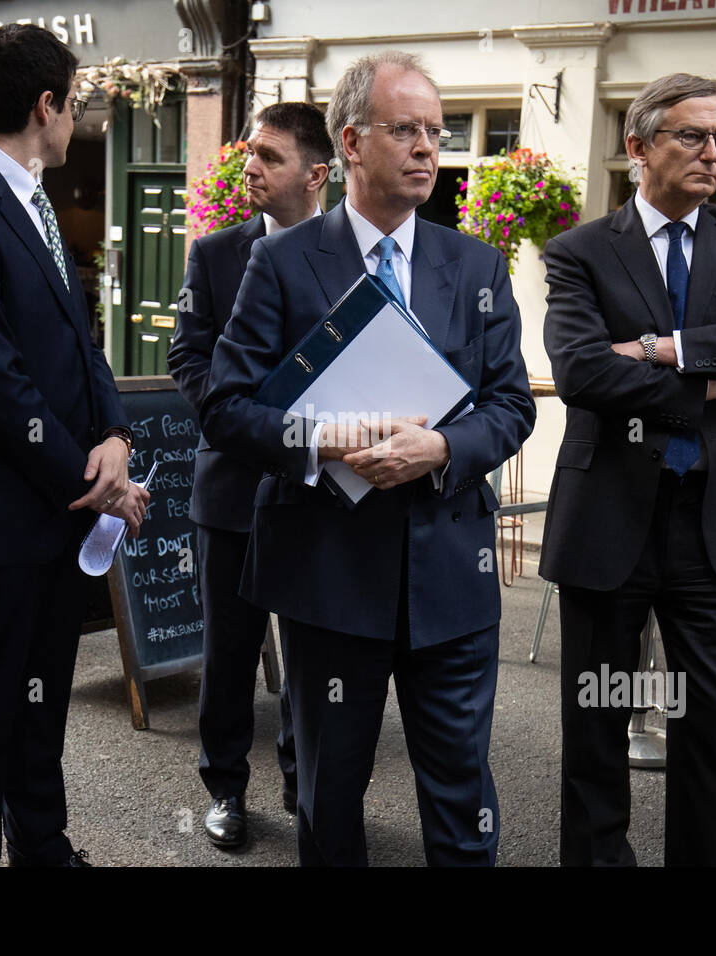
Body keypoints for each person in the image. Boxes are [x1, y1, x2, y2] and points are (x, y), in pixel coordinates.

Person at [202, 52, 536, 866]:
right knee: (330, 798)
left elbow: (512, 405)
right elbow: (224, 405)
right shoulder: (278, 262)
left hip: (452, 579)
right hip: (328, 581)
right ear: (351, 142)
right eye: (407, 130)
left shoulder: (476, 266)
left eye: (437, 131)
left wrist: (446, 447)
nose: (429, 147)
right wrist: (322, 439)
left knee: (463, 801)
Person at [540, 73, 716, 866]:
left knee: (713, 730)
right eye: (693, 136)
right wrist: (710, 374)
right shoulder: (579, 251)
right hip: (608, 519)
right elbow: (582, 373)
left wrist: (662, 348)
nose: (713, 153)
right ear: (638, 146)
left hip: (712, 526)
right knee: (596, 727)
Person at [0, 23, 149, 867]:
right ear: (46, 104)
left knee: (42, 699)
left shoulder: (34, 195)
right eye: (73, 100)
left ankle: (42, 846)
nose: (73, 114)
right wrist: (94, 483)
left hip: (60, 500)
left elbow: (82, 343)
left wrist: (114, 433)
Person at [168, 102, 327, 848]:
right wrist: (244, 423)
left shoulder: (350, 255)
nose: (249, 168)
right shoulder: (215, 254)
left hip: (322, 493)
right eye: (247, 155)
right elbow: (188, 358)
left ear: (317, 173)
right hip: (231, 486)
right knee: (229, 655)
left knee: (312, 655)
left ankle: (306, 785)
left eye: (268, 156)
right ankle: (226, 788)